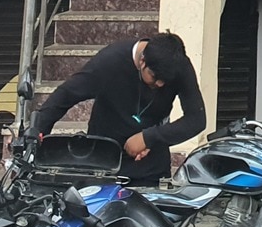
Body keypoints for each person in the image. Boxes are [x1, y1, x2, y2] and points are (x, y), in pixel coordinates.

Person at [31, 32, 206, 182]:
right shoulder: (110, 61)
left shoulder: (178, 66)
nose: (160, 84)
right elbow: (67, 94)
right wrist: (37, 131)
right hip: (104, 163)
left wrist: (149, 138)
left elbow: (196, 119)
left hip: (151, 167)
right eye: (154, 77)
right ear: (142, 61)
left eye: (165, 81)